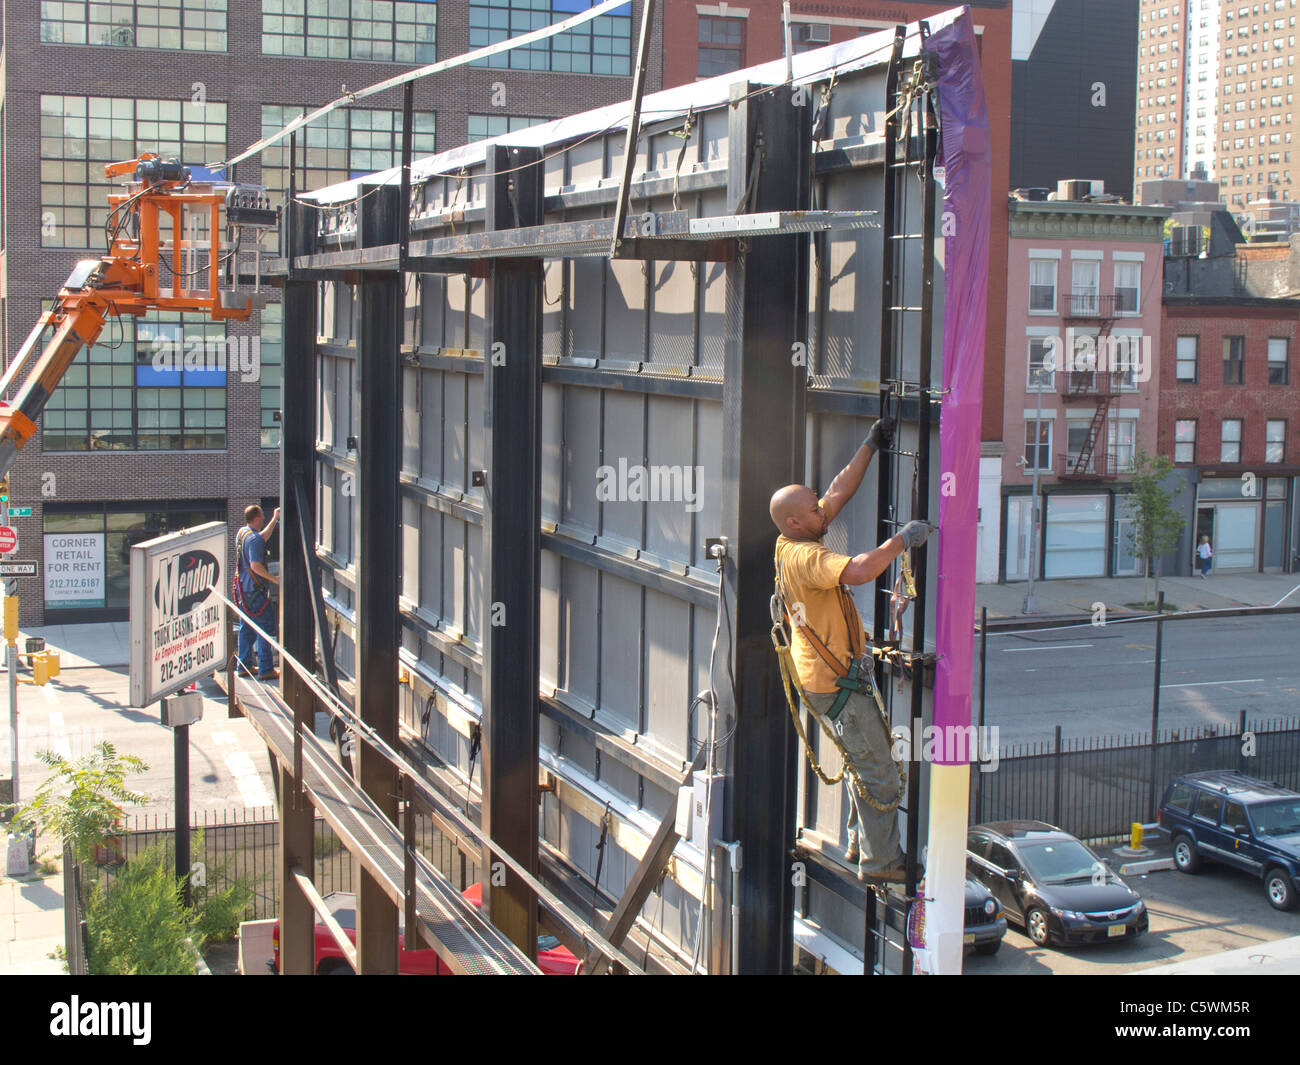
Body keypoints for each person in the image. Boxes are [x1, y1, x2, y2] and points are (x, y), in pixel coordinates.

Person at [769, 418, 936, 884]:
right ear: (794, 522)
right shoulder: (806, 557)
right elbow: (862, 570)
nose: (825, 514)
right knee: (878, 772)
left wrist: (869, 445)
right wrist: (902, 540)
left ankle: (864, 846)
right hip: (834, 685)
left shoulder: (793, 537)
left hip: (827, 681)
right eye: (814, 511)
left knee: (863, 761)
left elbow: (836, 494)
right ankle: (883, 864)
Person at [235, 504, 280, 680]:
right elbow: (255, 565)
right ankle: (266, 668)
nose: (263, 518)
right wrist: (274, 579)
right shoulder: (253, 540)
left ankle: (243, 665)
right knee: (264, 629)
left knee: (246, 628)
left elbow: (261, 538)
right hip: (255, 592)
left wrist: (274, 519)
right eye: (262, 516)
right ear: (255, 518)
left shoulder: (243, 533)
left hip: (243, 591)